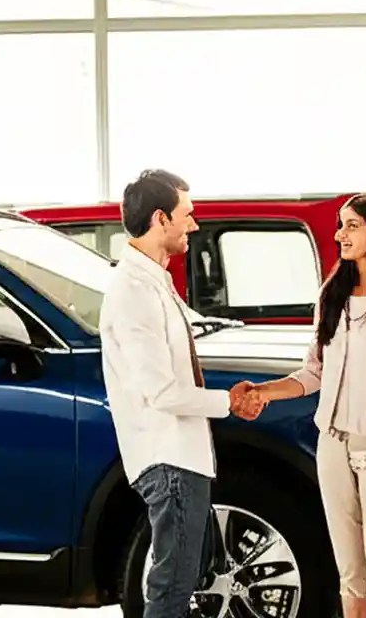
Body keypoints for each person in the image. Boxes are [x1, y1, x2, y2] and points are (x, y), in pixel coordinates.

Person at [242, 193, 366, 618]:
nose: (339, 234)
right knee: (349, 565)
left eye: (351, 226)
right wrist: (264, 392)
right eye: (341, 225)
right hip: (333, 443)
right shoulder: (332, 295)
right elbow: (315, 372)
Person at [98, 169, 261, 618]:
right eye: (186, 215)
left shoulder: (154, 280)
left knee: (187, 578)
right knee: (171, 588)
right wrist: (229, 401)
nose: (193, 224)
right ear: (160, 218)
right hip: (168, 459)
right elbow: (162, 391)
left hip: (184, 456)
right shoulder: (133, 291)